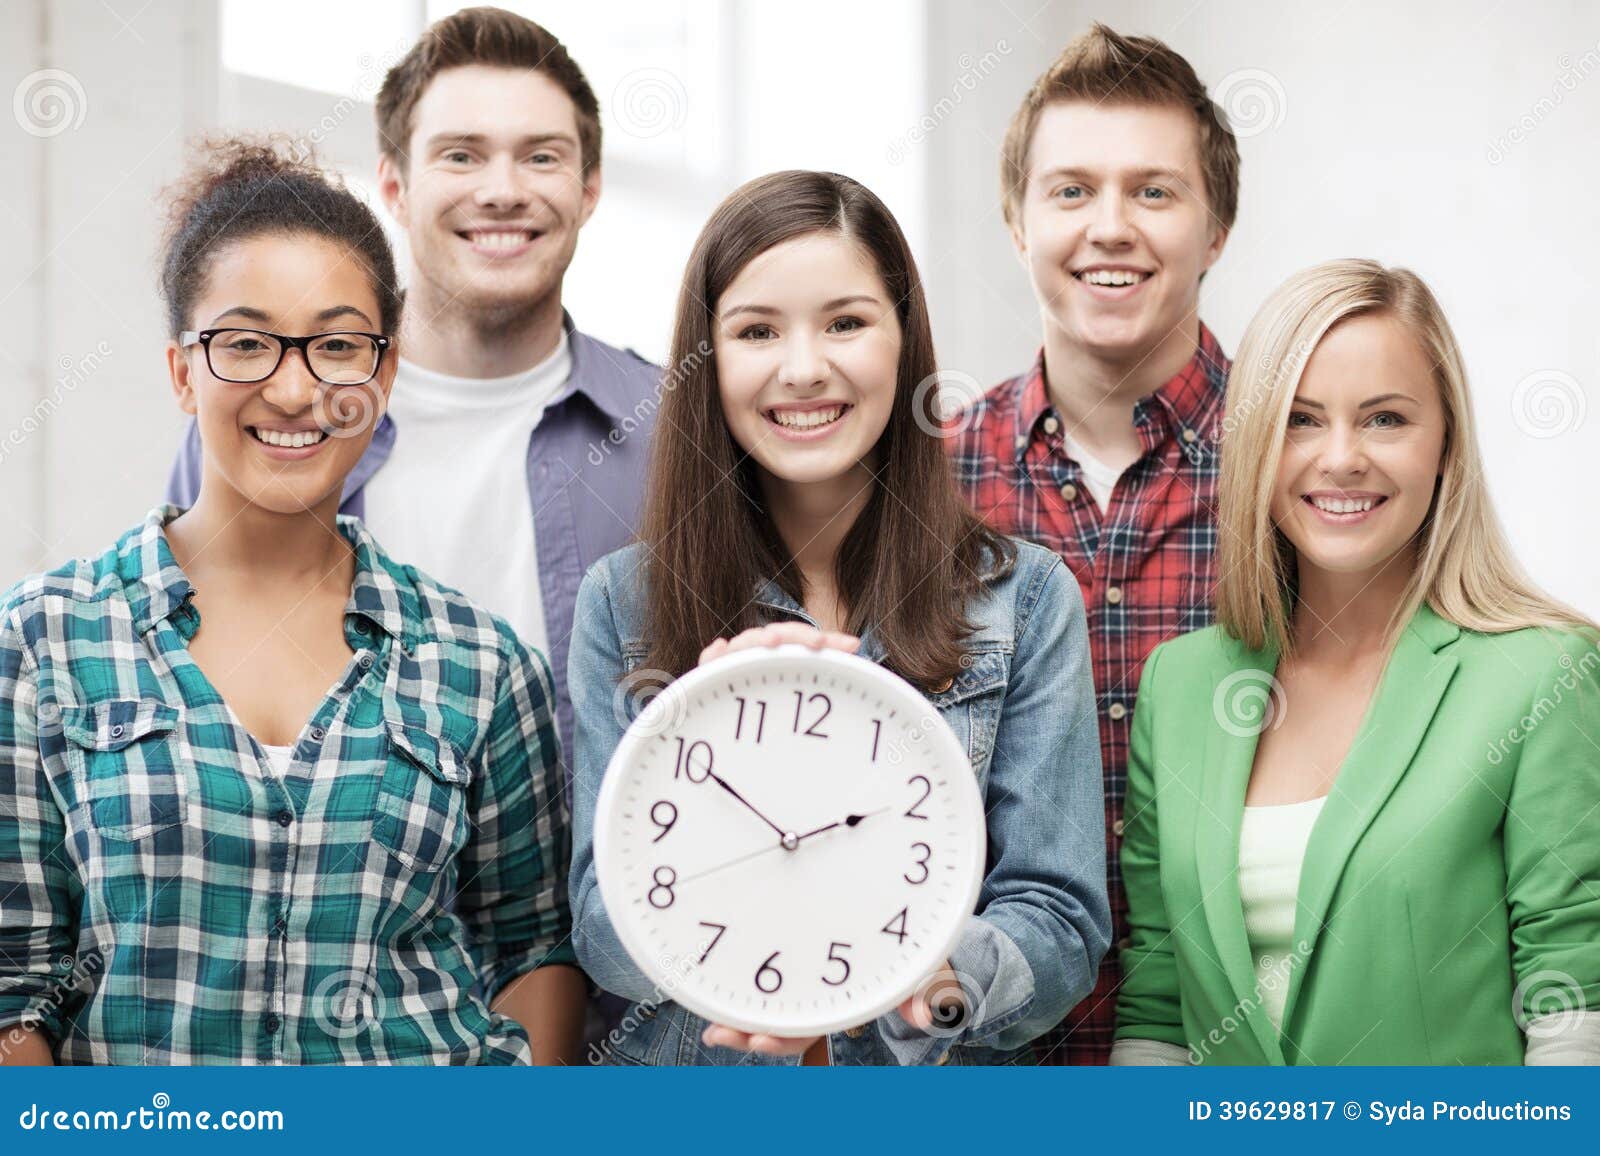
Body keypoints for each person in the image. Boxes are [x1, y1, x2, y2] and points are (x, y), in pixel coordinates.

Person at [0, 139, 583, 1065]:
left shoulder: (481, 661)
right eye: (244, 342)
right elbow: (16, 982)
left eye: (339, 345)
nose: (295, 386)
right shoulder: (43, 638)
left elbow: (533, 947)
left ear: (384, 375)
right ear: (182, 370)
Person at [567, 170, 1110, 1066]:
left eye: (847, 322)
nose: (805, 367)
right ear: (708, 360)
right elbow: (600, 931)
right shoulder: (624, 601)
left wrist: (909, 988)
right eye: (755, 331)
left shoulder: (1027, 598)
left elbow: (1058, 923)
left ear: (905, 344)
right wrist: (693, 737)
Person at [1113, 260, 1600, 1065]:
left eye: (1384, 419)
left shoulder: (1545, 673)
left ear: (1445, 444)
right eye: (1301, 420)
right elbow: (1160, 1003)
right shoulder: (1183, 683)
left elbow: (1572, 1004)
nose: (1340, 458)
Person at [167, 7, 660, 769]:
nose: (501, 191)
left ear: (589, 188)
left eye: (541, 157)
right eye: (461, 156)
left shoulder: (673, 430)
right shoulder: (266, 426)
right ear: (394, 186)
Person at [948, 23, 1239, 1063]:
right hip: (981, 1063)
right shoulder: (925, 486)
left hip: (1240, 1058)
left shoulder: (1302, 475)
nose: (1109, 227)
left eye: (1153, 192)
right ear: (1017, 223)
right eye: (1070, 191)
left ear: (1217, 229)